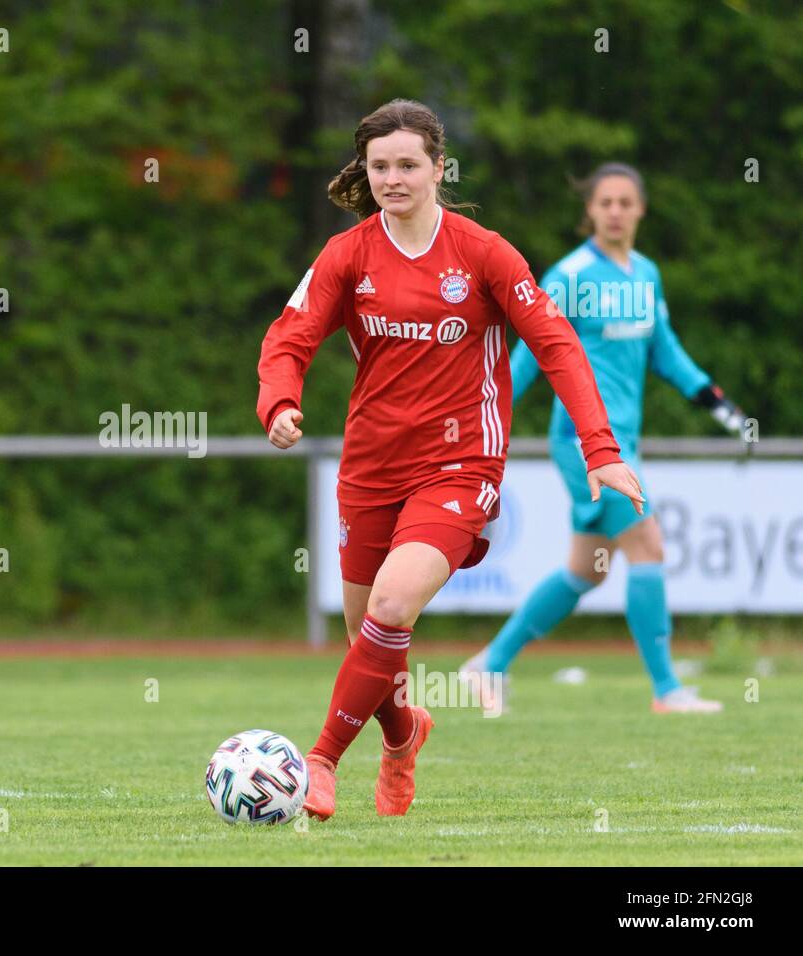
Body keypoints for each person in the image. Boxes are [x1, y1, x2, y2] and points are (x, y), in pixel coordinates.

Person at [256, 99, 643, 821]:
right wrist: (279, 400)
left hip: (461, 463)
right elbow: (290, 335)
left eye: (408, 164)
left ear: (439, 167)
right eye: (379, 167)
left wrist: (600, 450)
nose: (393, 179)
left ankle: (319, 761)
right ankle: (404, 739)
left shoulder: (484, 253)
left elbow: (558, 345)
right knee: (368, 640)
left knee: (392, 606)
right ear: (364, 171)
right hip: (370, 464)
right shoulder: (347, 254)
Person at [460, 163, 746, 714]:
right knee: (649, 544)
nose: (615, 211)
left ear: (641, 209)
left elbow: (664, 349)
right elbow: (527, 358)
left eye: (625, 202)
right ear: (588, 210)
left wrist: (712, 397)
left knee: (585, 571)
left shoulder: (645, 274)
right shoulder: (569, 277)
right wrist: (482, 424)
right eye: (605, 202)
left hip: (623, 444)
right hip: (580, 443)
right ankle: (667, 691)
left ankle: (488, 664)